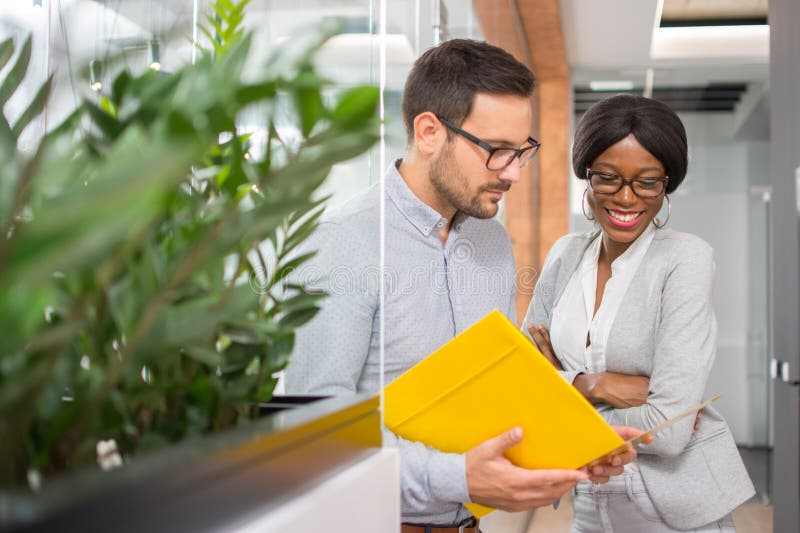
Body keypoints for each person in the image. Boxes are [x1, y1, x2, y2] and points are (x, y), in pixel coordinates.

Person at [284, 40, 643, 532]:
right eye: (497, 151)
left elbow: (492, 388)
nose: (513, 172)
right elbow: (316, 436)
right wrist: (456, 478)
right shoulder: (340, 245)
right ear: (429, 131)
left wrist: (571, 445)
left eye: (522, 152)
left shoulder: (493, 243)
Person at [524, 94, 755, 532]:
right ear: (586, 178)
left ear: (666, 184)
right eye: (607, 178)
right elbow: (522, 392)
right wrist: (601, 386)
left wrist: (571, 386)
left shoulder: (686, 259)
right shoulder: (565, 255)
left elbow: (667, 433)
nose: (626, 198)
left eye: (647, 182)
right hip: (589, 503)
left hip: (678, 512)